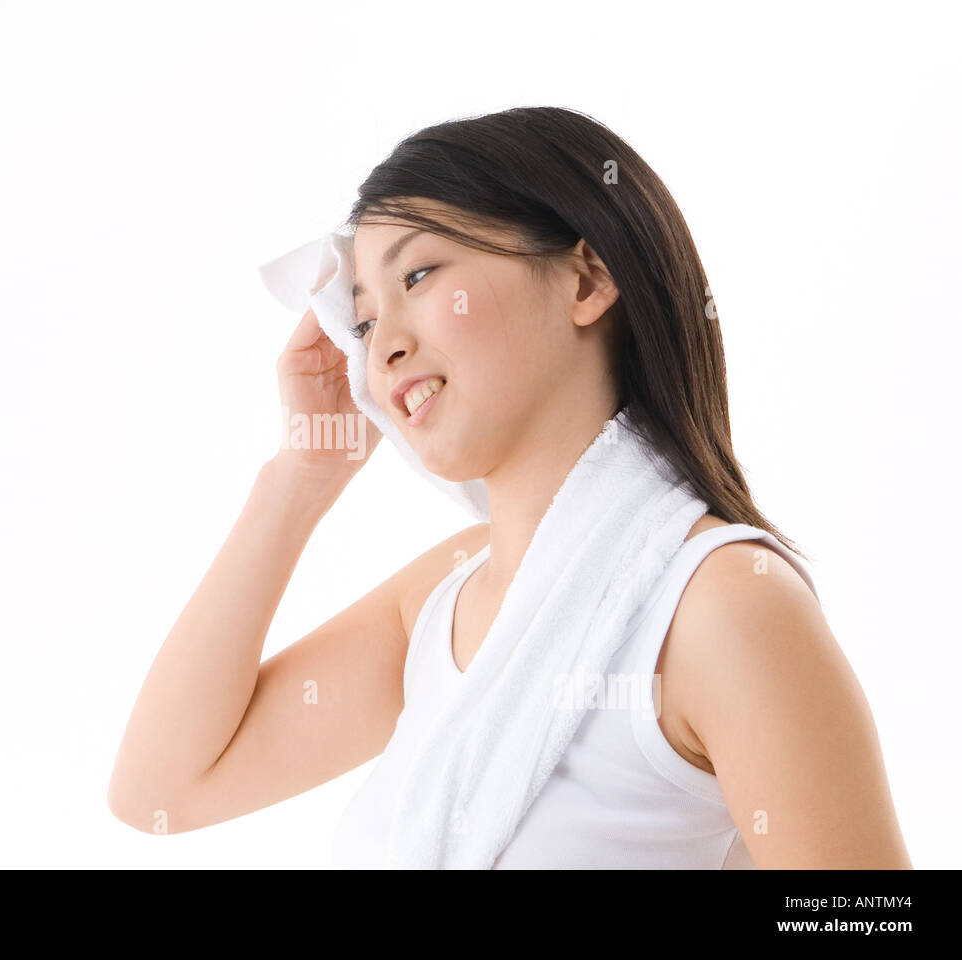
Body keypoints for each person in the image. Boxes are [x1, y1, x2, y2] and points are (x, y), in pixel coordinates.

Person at [106, 106, 912, 868]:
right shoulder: (442, 600)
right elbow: (163, 791)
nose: (380, 347)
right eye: (361, 321)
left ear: (587, 278)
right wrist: (299, 478)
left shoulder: (722, 605)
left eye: (419, 275)